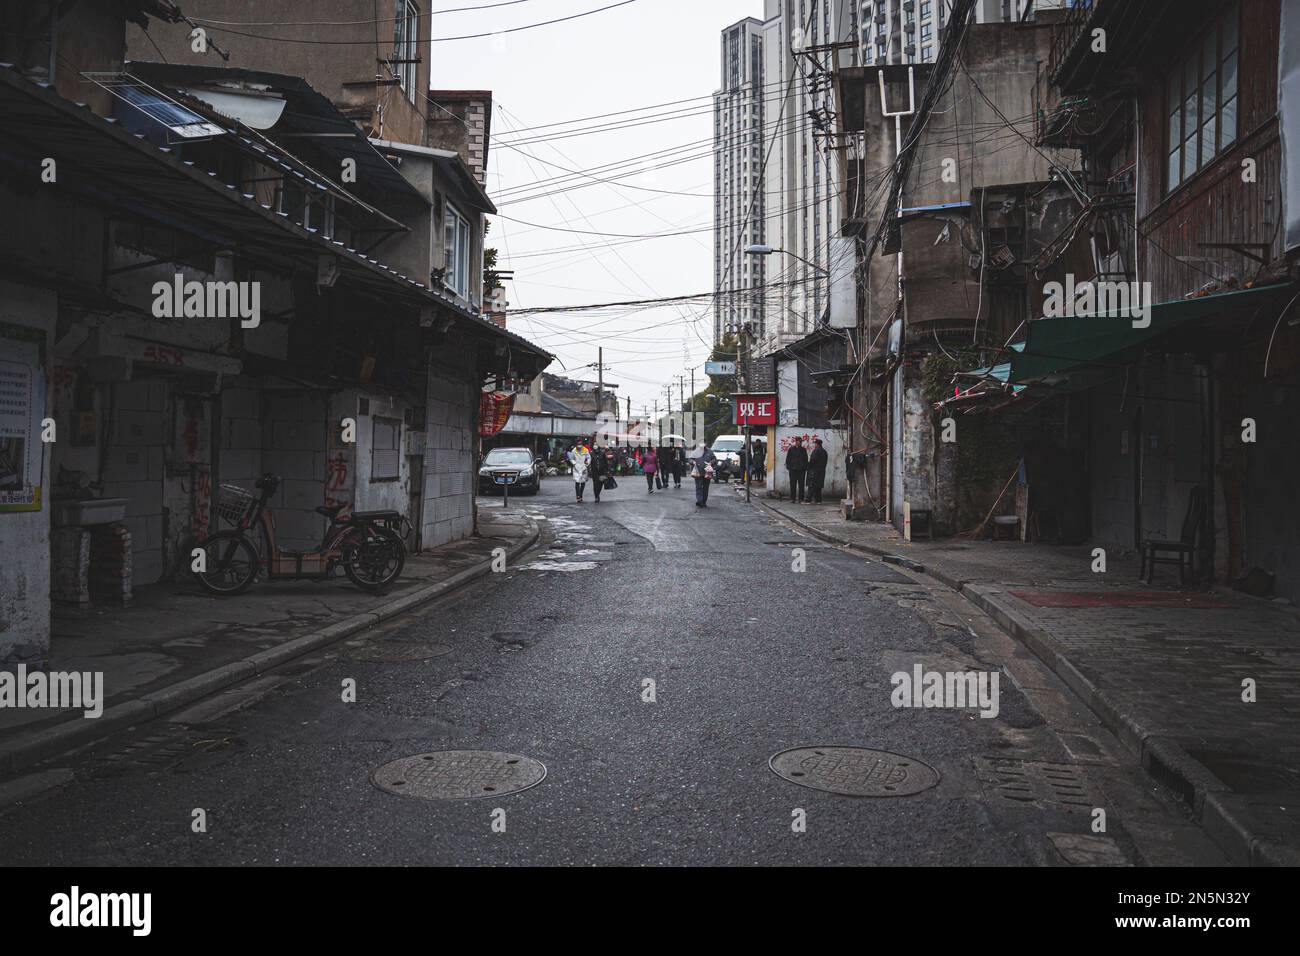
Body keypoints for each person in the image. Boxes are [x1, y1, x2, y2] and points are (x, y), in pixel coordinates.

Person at [688, 441, 716, 507]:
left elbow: (714, 459)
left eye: (703, 443)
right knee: (698, 487)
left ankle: (704, 501)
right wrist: (693, 462)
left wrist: (711, 463)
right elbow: (690, 459)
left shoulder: (710, 451)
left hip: (707, 472)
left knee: (706, 488)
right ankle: (699, 501)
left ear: (705, 444)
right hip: (698, 472)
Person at [785, 435, 809, 503]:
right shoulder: (791, 449)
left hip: (801, 470)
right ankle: (793, 498)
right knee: (793, 484)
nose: (799, 443)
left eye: (800, 442)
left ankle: (801, 498)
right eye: (798, 441)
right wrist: (789, 467)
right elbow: (788, 459)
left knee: (801, 485)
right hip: (793, 470)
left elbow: (806, 459)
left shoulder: (803, 450)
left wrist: (804, 468)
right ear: (795, 442)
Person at [807, 437, 828, 504]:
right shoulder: (824, 452)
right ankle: (818, 500)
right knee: (819, 487)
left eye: (815, 444)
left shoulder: (816, 451)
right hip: (821, 471)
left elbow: (812, 461)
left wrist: (808, 467)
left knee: (812, 486)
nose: (814, 445)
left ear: (817, 444)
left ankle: (808, 499)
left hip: (814, 471)